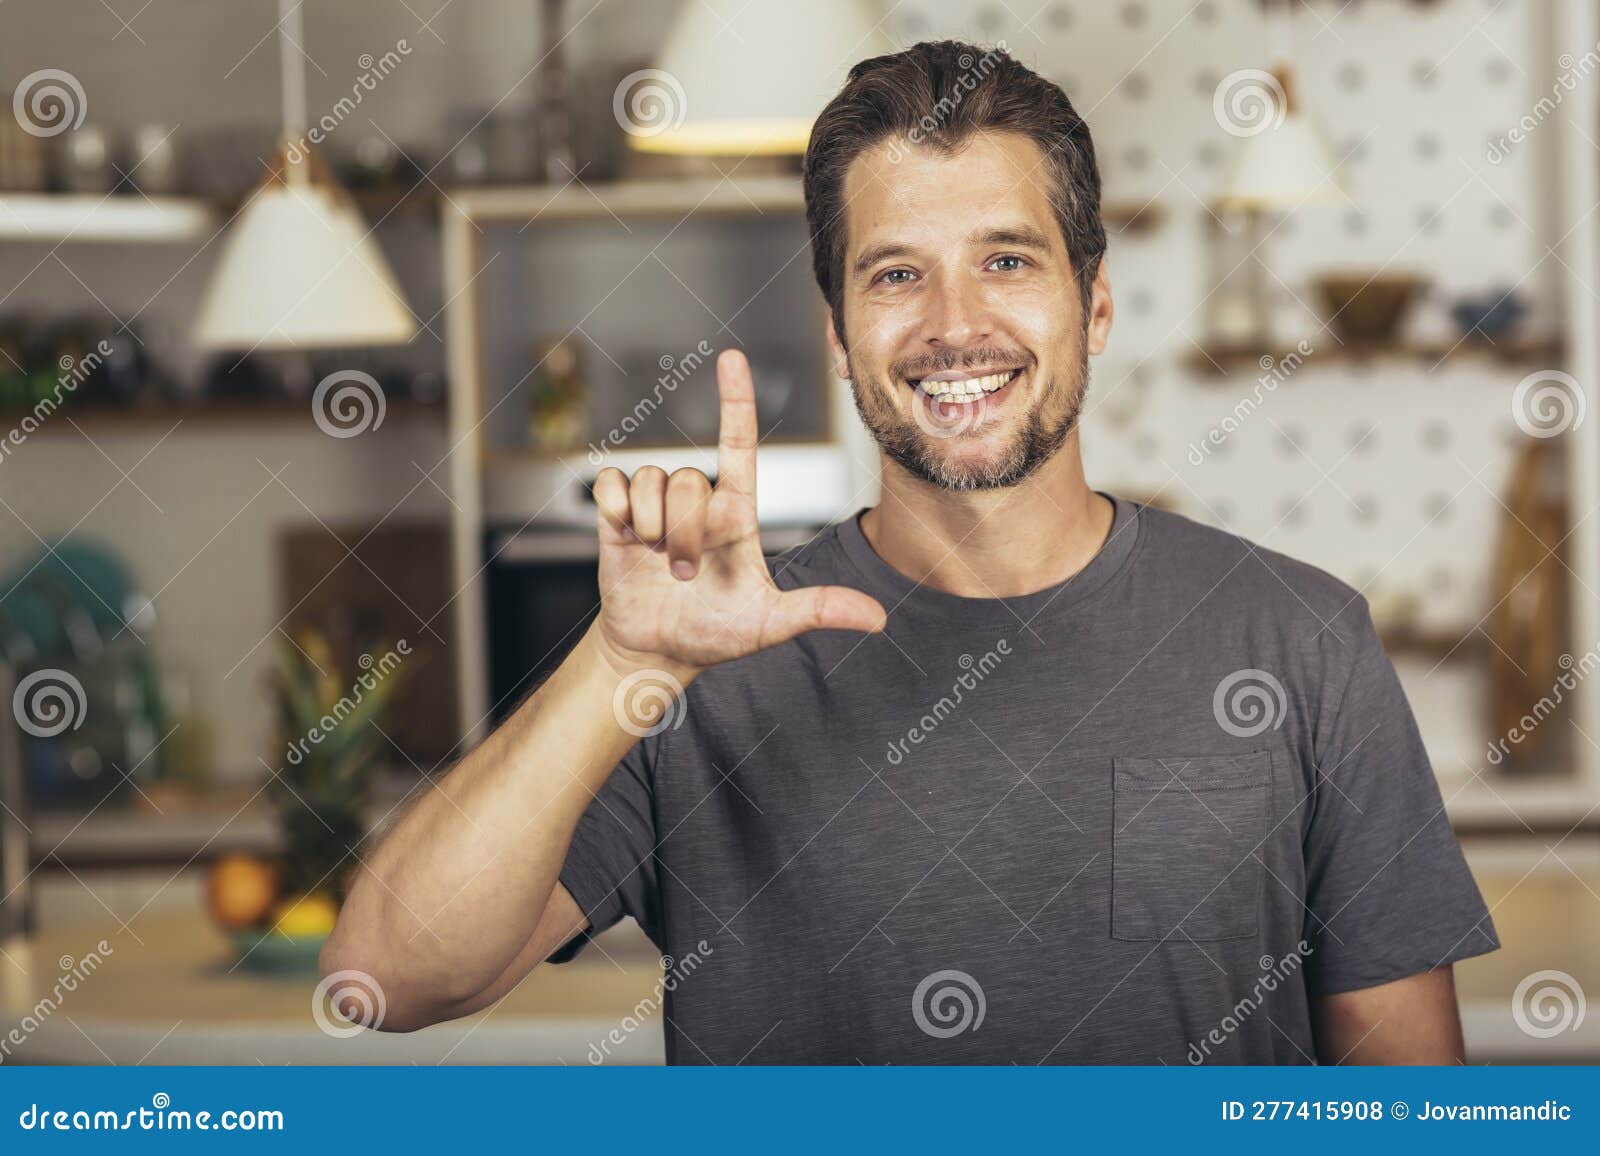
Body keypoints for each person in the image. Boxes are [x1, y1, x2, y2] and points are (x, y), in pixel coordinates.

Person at [323, 39, 1497, 1064]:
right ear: (839, 335)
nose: (953, 325)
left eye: (1006, 259)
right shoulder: (696, 664)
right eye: (895, 275)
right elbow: (384, 979)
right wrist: (621, 661)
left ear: (1093, 305)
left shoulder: (1300, 640)